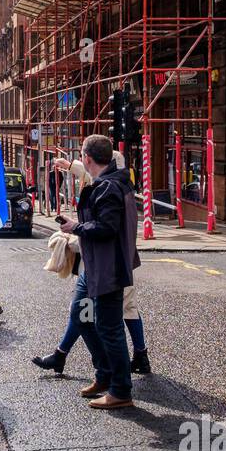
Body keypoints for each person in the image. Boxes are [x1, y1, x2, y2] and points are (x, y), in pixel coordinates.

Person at [58, 134, 140, 411]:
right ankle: (104, 374)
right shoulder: (108, 180)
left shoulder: (109, 187)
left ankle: (120, 390)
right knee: (81, 317)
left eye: (81, 154)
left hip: (108, 268)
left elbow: (107, 227)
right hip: (93, 267)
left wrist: (75, 227)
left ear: (88, 158)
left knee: (110, 327)